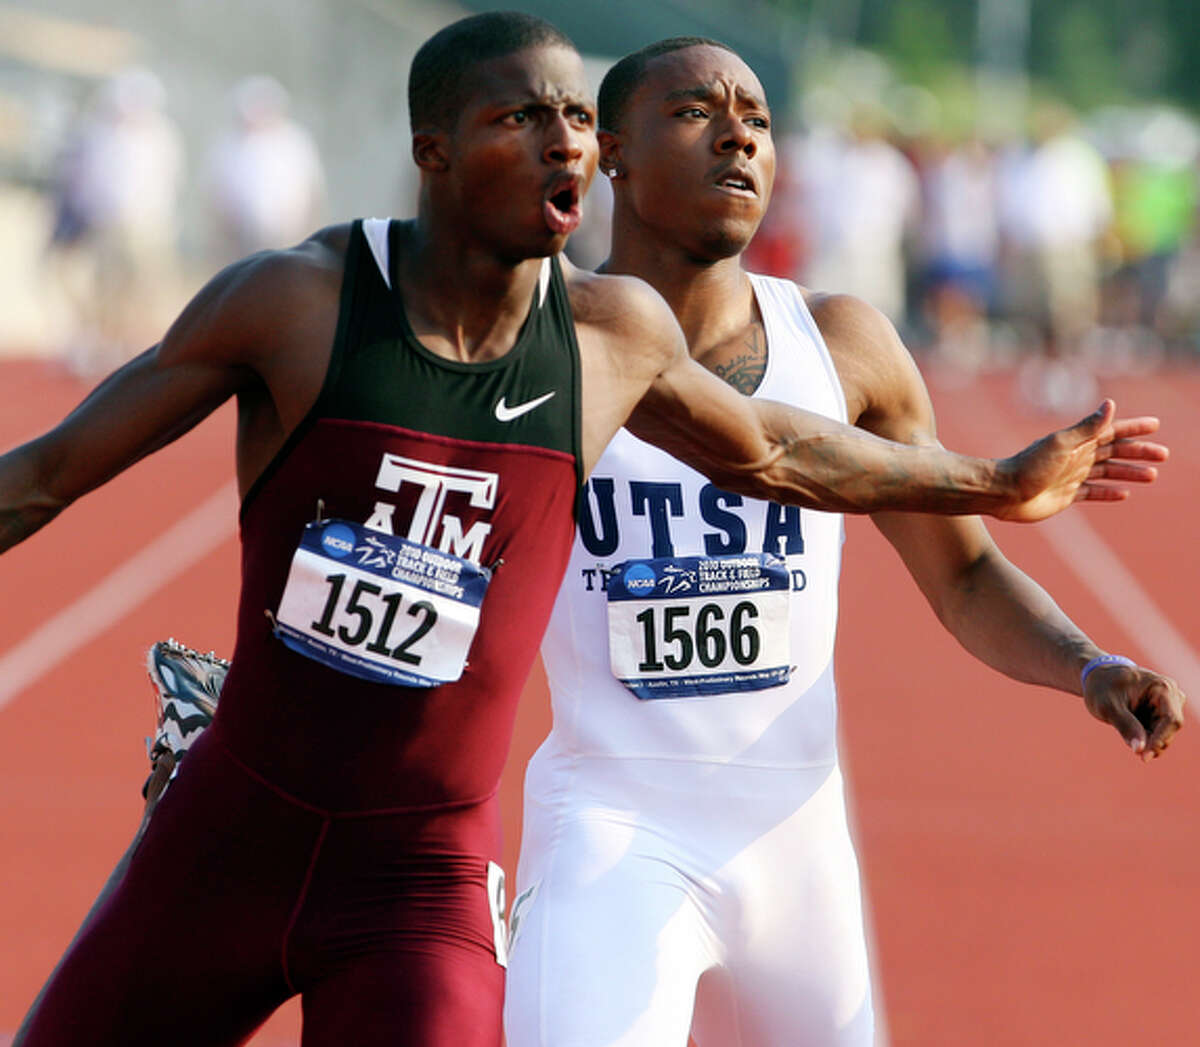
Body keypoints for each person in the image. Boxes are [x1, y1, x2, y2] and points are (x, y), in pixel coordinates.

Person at [1, 14, 1167, 1047]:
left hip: (577, 860)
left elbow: (783, 454)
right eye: (527, 116)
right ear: (443, 151)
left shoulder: (640, 343)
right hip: (416, 829)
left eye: (572, 115)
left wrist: (1005, 509)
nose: (563, 140)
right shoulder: (323, 303)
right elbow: (50, 474)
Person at [502, 38, 1187, 1047]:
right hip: (611, 825)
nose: (739, 133)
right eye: (696, 112)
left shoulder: (844, 345)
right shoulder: (537, 339)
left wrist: (1090, 665)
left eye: (760, 119)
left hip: (796, 846)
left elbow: (964, 579)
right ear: (614, 155)